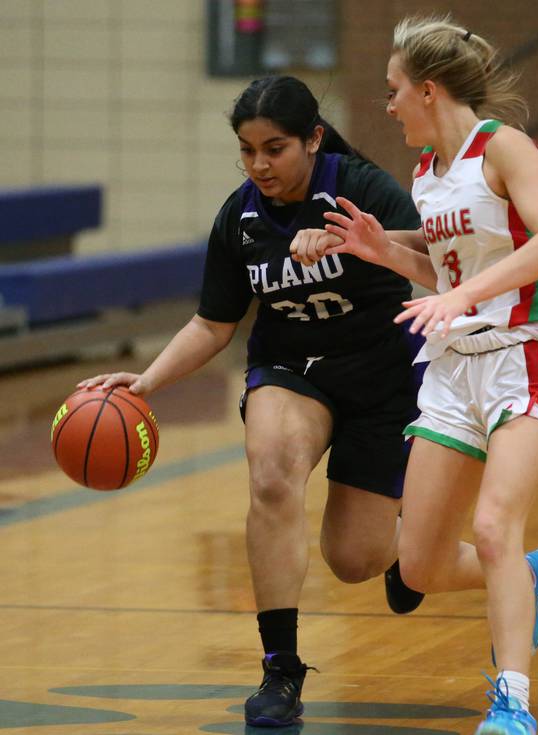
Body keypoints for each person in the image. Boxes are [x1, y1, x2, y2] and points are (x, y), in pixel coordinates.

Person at [77, 75, 428, 728]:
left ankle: (409, 542)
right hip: (292, 368)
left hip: (381, 378)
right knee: (270, 473)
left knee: (353, 560)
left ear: (313, 139)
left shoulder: (360, 187)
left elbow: (442, 257)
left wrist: (364, 242)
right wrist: (146, 382)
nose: (260, 164)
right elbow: (214, 324)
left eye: (275, 148)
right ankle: (281, 667)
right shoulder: (238, 219)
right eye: (247, 150)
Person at [313, 15, 538, 735]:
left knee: (495, 525)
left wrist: (464, 295)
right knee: (420, 563)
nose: (390, 104)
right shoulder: (429, 174)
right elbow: (448, 274)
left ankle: (511, 701)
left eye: (395, 90)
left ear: (428, 90)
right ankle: (527, 577)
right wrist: (385, 253)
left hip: (528, 357)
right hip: (454, 368)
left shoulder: (506, 148)